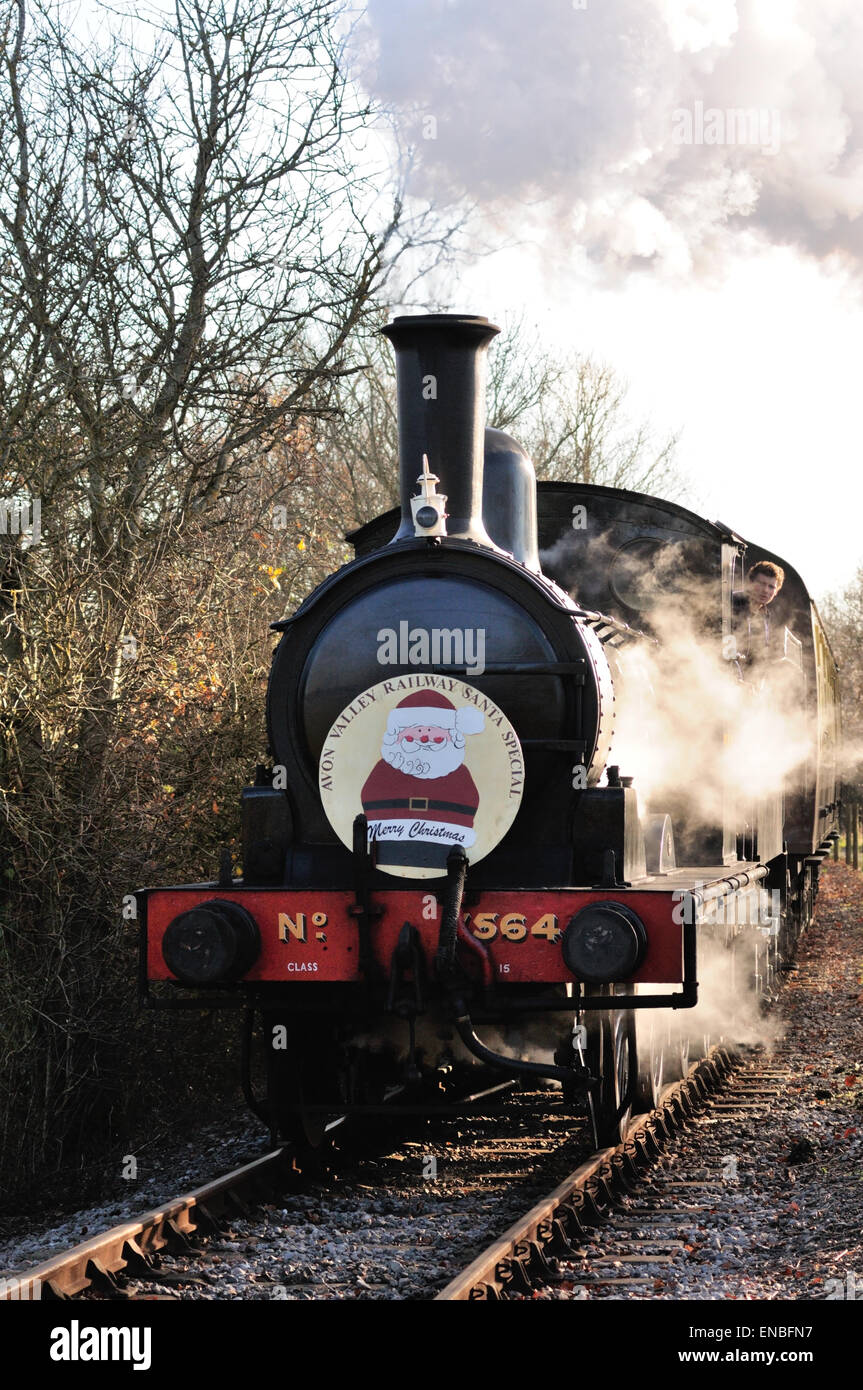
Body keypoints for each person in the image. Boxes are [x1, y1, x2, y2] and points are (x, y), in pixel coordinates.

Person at [732, 560, 784, 679]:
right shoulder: (731, 602)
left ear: (776, 592)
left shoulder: (767, 617)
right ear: (750, 582)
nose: (765, 590)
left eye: (771, 587)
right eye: (761, 583)